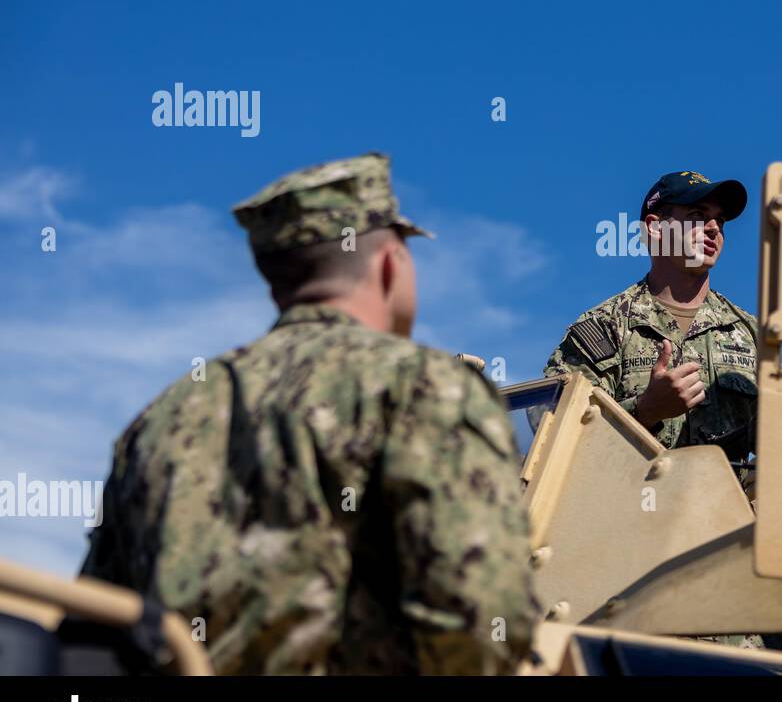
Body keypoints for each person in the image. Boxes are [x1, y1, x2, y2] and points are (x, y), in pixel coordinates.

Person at [80, 153, 538, 675]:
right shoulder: (427, 388)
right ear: (391, 263)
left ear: (277, 279)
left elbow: (95, 626)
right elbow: (479, 619)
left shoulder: (163, 415)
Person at [544, 171, 759, 467]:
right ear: (655, 228)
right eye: (698, 215)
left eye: (719, 221)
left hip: (732, 511)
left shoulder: (752, 333)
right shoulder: (603, 329)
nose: (713, 229)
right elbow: (558, 444)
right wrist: (645, 411)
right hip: (631, 509)